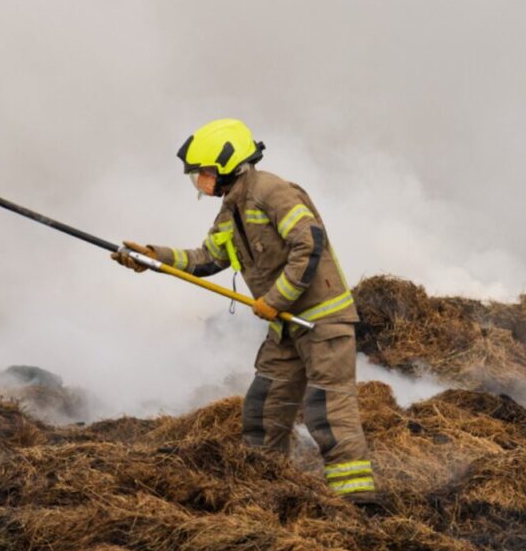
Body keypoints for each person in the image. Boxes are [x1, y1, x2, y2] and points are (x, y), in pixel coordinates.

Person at [115, 119, 380, 510]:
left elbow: (309, 245)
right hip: (285, 326)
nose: (199, 181)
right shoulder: (232, 207)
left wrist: (276, 298)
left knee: (328, 411)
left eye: (203, 172)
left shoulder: (272, 192)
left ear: (228, 164)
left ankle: (359, 503)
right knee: (263, 408)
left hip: (321, 321)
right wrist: (154, 258)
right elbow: (209, 258)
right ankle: (267, 492)